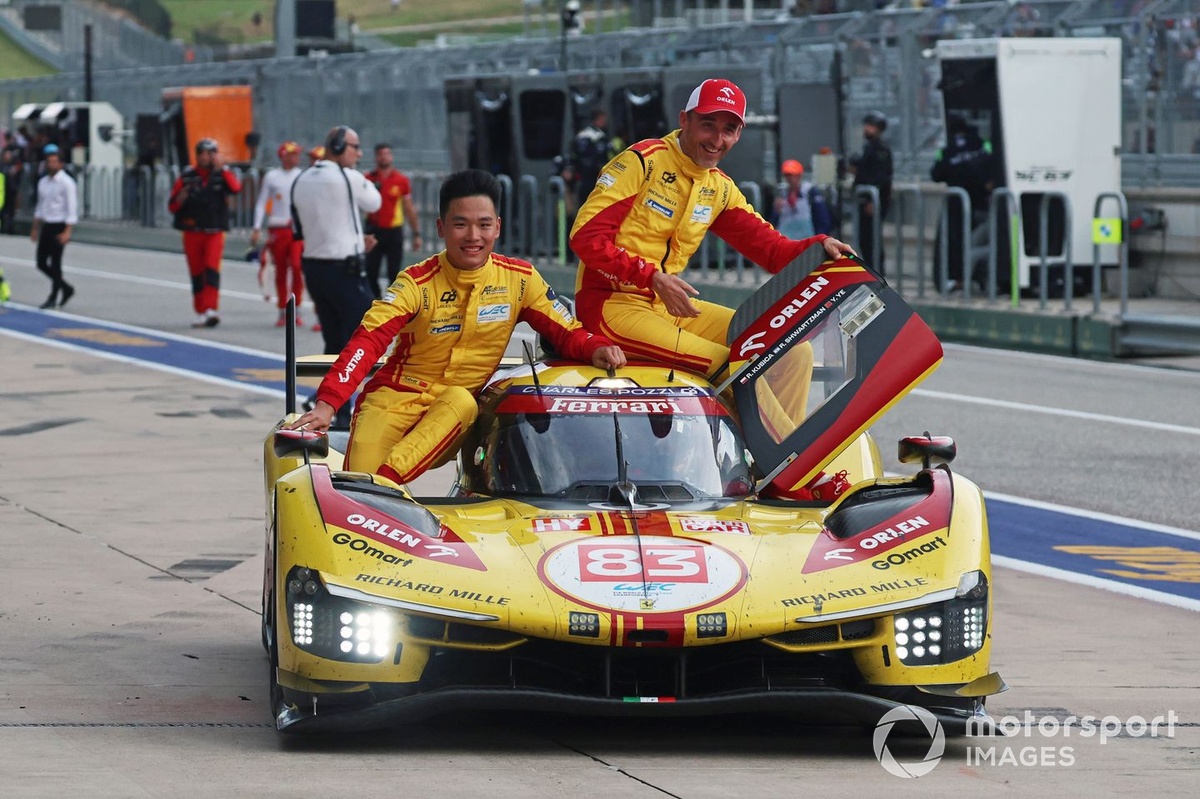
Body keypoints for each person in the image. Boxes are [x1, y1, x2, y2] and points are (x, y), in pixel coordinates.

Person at [286, 169, 626, 485]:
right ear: (441, 228)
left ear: (498, 228)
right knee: (357, 490)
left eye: (483, 225)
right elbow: (367, 342)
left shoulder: (521, 281)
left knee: (462, 401)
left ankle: (386, 487)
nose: (473, 236)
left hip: (452, 413)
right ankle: (376, 491)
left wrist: (596, 348)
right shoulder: (415, 283)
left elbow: (568, 332)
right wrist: (327, 404)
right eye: (460, 225)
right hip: (391, 401)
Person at [569, 77, 854, 382]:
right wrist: (651, 277)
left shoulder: (719, 188)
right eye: (708, 125)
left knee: (792, 351)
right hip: (611, 306)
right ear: (684, 120)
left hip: (666, 308)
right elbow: (585, 237)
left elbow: (773, 251)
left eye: (728, 130)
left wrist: (820, 246)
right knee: (736, 368)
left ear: (739, 134)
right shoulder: (641, 162)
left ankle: (783, 432)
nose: (717, 140)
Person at [290, 124, 381, 364]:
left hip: (314, 268)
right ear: (339, 146)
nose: (359, 154)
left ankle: (331, 401)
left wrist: (355, 240)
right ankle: (330, 397)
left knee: (334, 340)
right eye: (356, 147)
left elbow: (319, 225)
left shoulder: (302, 178)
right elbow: (374, 203)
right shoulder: (347, 176)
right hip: (344, 270)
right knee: (371, 332)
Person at [167, 138, 242, 328]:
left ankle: (210, 308)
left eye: (210, 153)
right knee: (196, 271)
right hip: (192, 231)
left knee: (211, 268)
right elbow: (173, 205)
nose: (206, 157)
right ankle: (200, 310)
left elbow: (235, 188)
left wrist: (222, 168)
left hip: (215, 230)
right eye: (203, 153)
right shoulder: (187, 177)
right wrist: (181, 198)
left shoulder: (222, 175)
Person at [931, 114, 999, 292]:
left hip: (957, 206)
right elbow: (995, 162)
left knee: (959, 244)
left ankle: (959, 280)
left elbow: (936, 175)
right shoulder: (982, 144)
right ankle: (979, 280)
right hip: (983, 203)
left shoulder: (946, 150)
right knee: (977, 243)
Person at [251, 140, 307, 327]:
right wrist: (257, 227)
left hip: (297, 229)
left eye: (298, 154)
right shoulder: (272, 176)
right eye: (293, 154)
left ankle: (297, 307)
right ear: (284, 156)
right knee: (281, 269)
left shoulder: (302, 176)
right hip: (278, 227)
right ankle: (283, 310)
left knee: (298, 267)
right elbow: (261, 202)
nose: (296, 158)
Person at [364, 143, 422, 299]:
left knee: (394, 273)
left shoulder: (401, 180)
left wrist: (416, 233)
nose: (384, 157)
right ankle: (374, 304)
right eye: (380, 154)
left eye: (387, 153)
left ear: (391, 156)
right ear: (376, 157)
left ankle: (392, 306)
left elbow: (409, 207)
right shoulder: (368, 179)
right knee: (371, 272)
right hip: (373, 231)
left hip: (393, 232)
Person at [29, 144, 78, 309]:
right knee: (41, 263)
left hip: (60, 224)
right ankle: (66, 287)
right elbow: (40, 206)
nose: (51, 165)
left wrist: (68, 231)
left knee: (56, 263)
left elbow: (72, 209)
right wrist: (35, 227)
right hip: (47, 224)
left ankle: (54, 296)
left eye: (55, 162)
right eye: (49, 162)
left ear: (60, 164)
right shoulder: (43, 182)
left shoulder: (67, 183)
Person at [848, 110, 893, 275]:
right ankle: (869, 271)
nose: (866, 129)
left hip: (873, 200)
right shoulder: (869, 147)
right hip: (865, 199)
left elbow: (880, 177)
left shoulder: (880, 149)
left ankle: (876, 273)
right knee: (864, 239)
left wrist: (872, 200)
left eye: (871, 126)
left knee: (872, 239)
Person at [568, 108, 619, 209]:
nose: (604, 122)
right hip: (588, 177)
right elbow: (579, 156)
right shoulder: (589, 136)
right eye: (602, 119)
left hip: (600, 176)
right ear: (597, 119)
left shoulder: (602, 136)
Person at [773, 158, 835, 239]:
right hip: (785, 241)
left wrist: (820, 240)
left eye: (792, 175)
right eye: (787, 175)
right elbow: (774, 221)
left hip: (807, 241)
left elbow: (823, 219)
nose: (789, 178)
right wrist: (777, 211)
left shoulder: (810, 193)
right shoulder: (782, 195)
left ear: (799, 175)